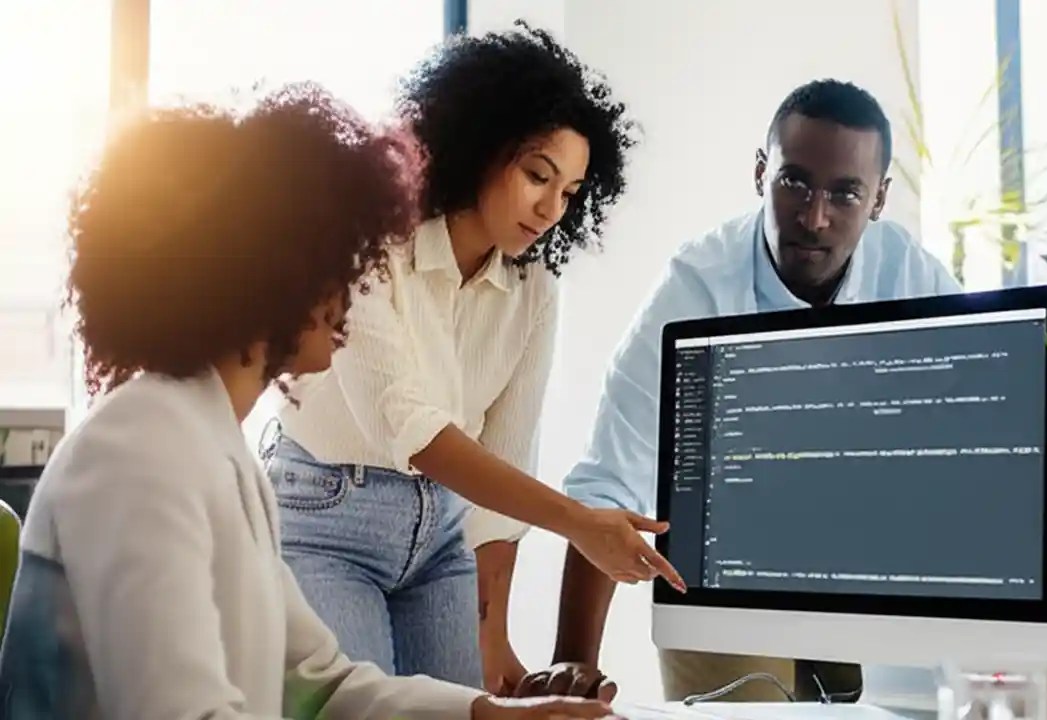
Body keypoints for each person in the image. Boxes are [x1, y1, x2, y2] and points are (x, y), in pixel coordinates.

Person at [0, 83, 615, 720]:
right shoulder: (137, 452)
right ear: (272, 270)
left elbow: (320, 684)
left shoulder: (213, 448)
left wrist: (492, 714)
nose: (354, 284)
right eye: (343, 257)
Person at [262, 21, 684, 698]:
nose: (551, 208)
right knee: (353, 714)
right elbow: (413, 426)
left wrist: (494, 630)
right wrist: (579, 523)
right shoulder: (372, 239)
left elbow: (507, 452)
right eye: (537, 175)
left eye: (571, 191)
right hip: (325, 521)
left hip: (442, 546)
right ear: (479, 147)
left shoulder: (534, 288)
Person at [517, 79, 962, 703]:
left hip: (867, 560)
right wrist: (570, 669)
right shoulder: (696, 290)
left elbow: (976, 430)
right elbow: (610, 484)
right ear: (760, 172)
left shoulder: (911, 278)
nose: (815, 217)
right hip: (730, 574)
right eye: (795, 182)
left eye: (845, 193)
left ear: (880, 198)